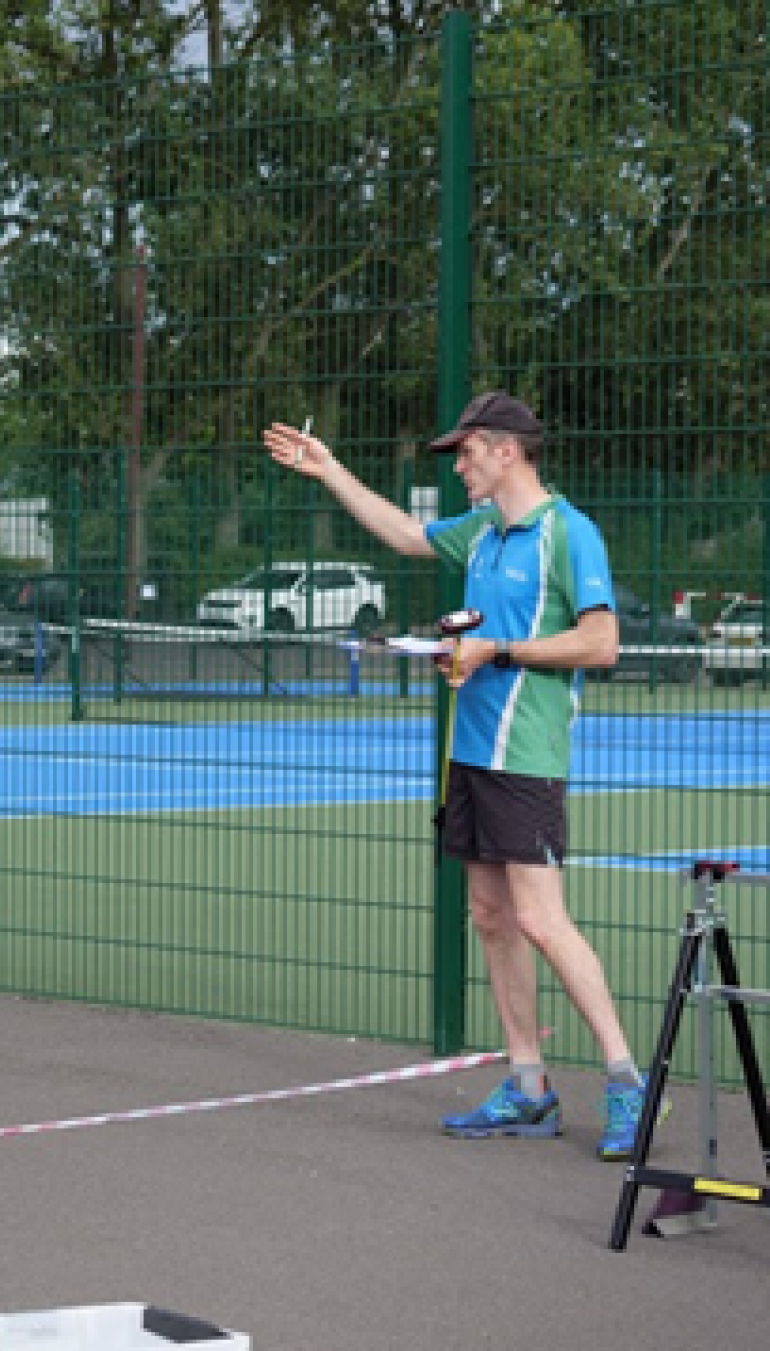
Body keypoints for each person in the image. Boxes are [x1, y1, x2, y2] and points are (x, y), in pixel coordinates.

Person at [262, 392, 655, 1160]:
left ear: (506, 450)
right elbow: (409, 535)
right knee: (491, 915)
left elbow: (601, 641)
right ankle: (530, 1086)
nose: (460, 466)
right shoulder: (481, 529)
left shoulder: (569, 534)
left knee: (542, 919)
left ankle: (627, 1082)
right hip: (470, 753)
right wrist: (329, 470)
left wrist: (497, 650)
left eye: (467, 452)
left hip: (528, 755)